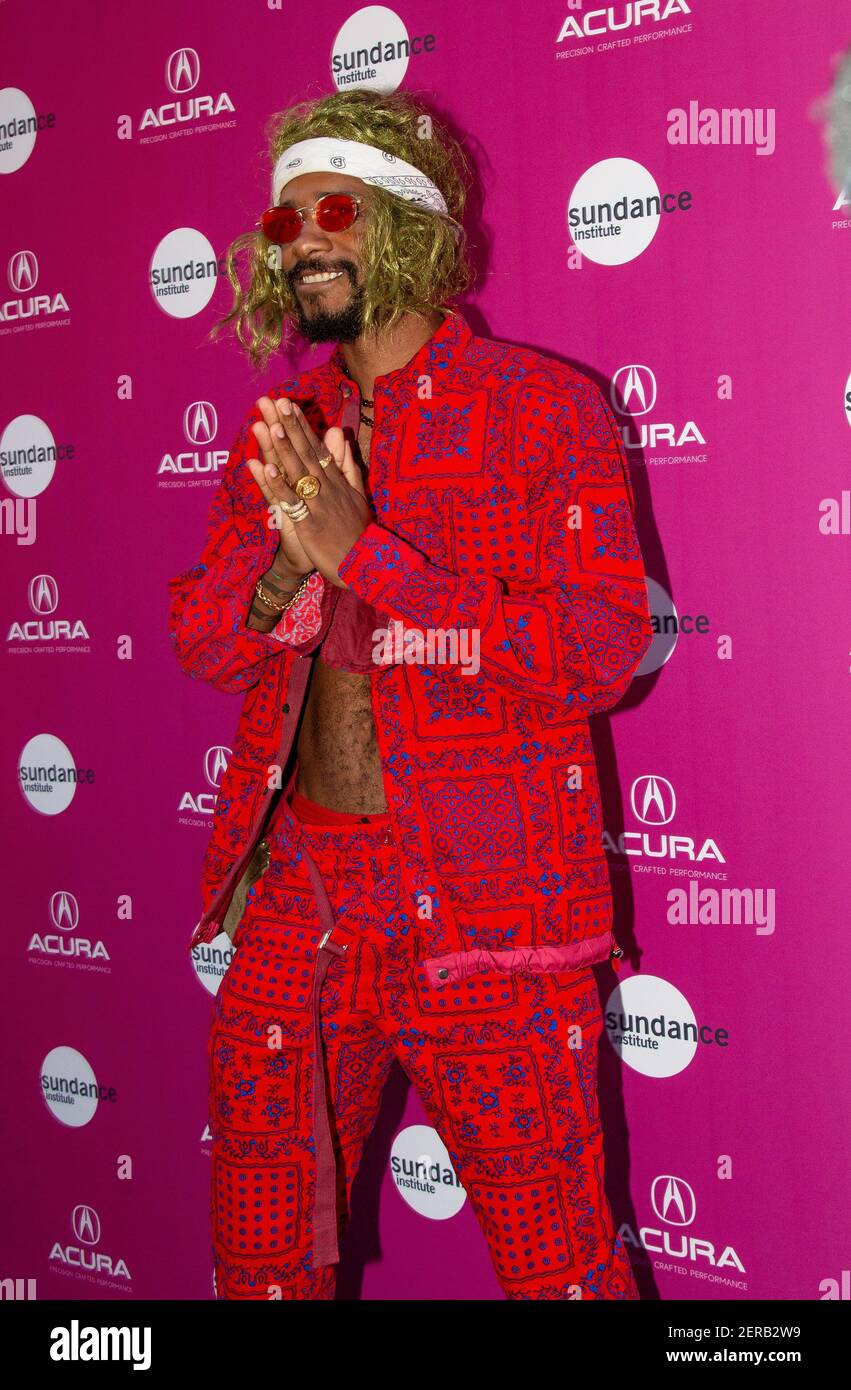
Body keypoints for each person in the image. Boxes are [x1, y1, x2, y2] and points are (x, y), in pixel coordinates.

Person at [167, 87, 653, 1301]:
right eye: (282, 225)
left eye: (329, 209)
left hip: (490, 912)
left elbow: (598, 647)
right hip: (300, 889)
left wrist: (365, 551)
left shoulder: (541, 408)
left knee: (561, 1270)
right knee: (260, 1260)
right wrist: (288, 556)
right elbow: (202, 642)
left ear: (408, 226)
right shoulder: (281, 429)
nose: (303, 243)